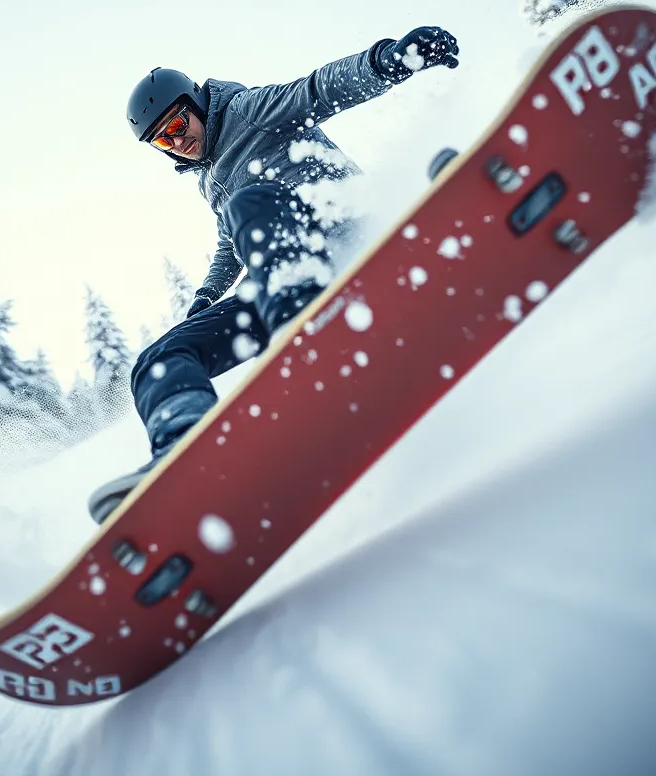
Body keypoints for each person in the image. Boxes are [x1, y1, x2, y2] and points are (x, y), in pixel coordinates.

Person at [87, 26, 460, 522]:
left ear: (196, 102)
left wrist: (394, 59)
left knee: (250, 204)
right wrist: (206, 296)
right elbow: (230, 242)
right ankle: (185, 452)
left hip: (343, 243)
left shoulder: (247, 112)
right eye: (163, 140)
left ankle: (308, 336)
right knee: (158, 358)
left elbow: (318, 90)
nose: (178, 142)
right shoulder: (211, 177)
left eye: (178, 124)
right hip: (276, 284)